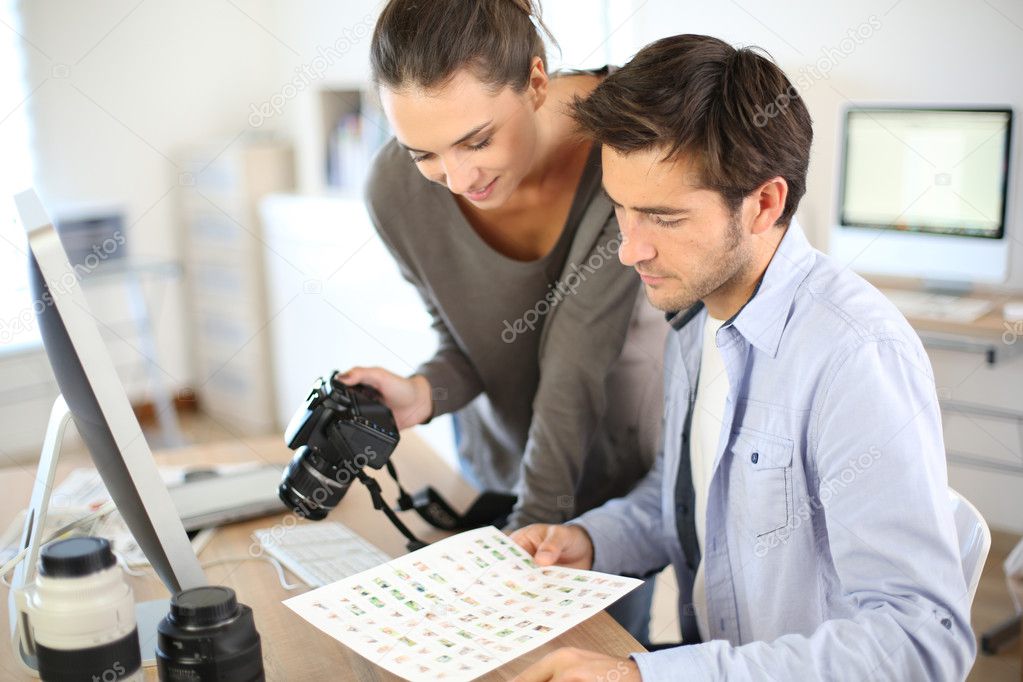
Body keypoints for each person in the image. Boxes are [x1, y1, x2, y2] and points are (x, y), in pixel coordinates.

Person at [511, 34, 976, 681]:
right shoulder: (695, 311)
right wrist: (588, 541)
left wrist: (650, 676)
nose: (627, 249)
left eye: (661, 217)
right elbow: (687, 497)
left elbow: (921, 643)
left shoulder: (853, 356)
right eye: (620, 209)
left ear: (764, 203)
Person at [339, 0, 666, 641]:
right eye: (423, 153)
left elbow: (576, 362)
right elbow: (467, 342)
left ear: (537, 82)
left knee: (603, 654)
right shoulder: (394, 192)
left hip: (611, 483)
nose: (457, 179)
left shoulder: (629, 144)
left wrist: (530, 535)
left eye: (476, 140)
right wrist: (420, 394)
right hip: (498, 466)